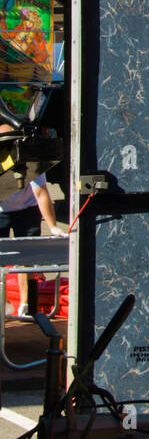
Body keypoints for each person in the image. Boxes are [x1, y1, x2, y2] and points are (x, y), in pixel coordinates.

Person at [0, 122, 63, 319]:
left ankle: (27, 306)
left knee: (26, 259)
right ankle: (5, 304)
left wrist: (52, 226)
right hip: (2, 210)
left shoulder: (28, 159)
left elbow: (41, 194)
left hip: (27, 210)